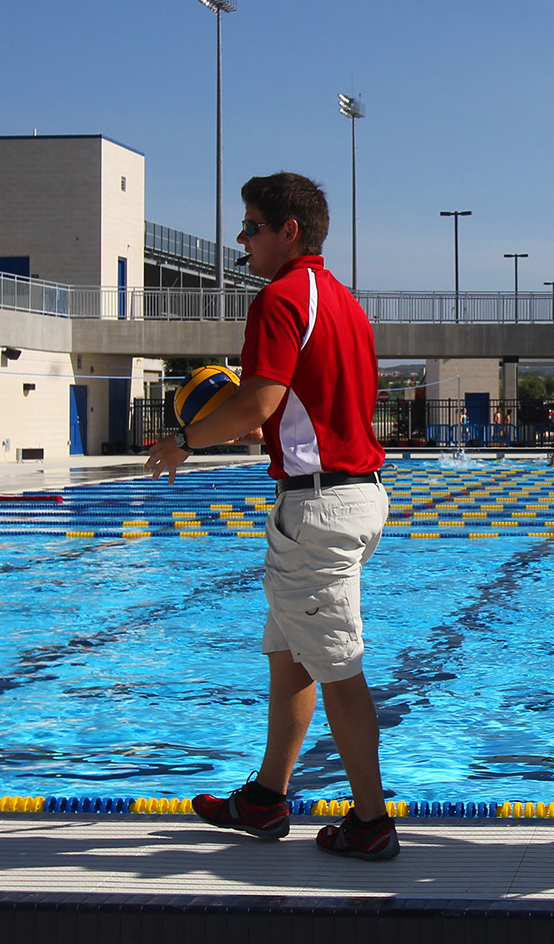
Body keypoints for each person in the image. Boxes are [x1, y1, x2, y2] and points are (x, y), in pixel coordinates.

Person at [148, 172, 399, 862]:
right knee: (289, 649)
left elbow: (258, 403)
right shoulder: (345, 302)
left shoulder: (282, 298)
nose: (240, 238)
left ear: (290, 231)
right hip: (358, 493)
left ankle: (372, 822)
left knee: (338, 665)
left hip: (318, 507)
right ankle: (265, 797)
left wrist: (184, 441)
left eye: (251, 225)